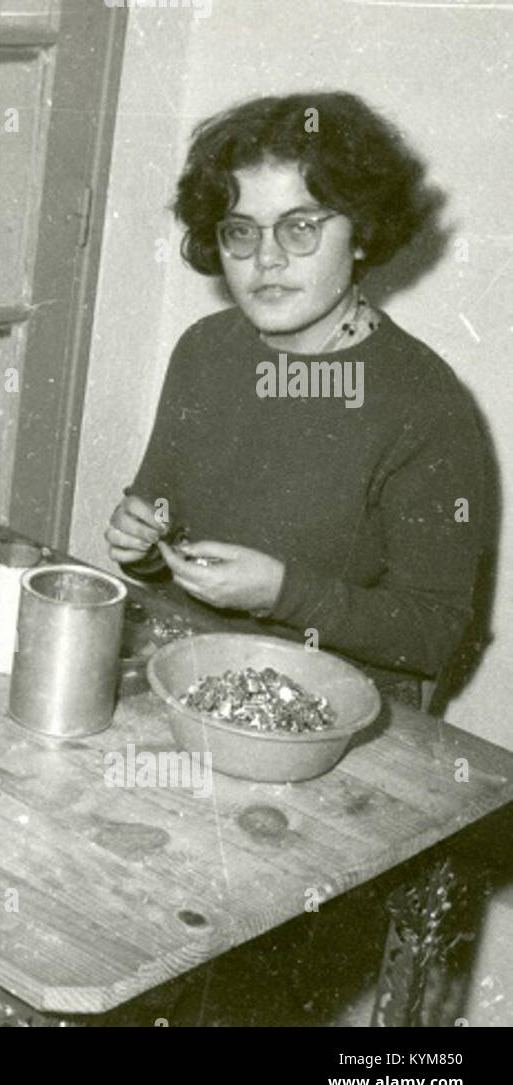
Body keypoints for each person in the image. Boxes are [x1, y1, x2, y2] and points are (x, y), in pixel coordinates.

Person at [106, 91, 488, 704]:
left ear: (362, 234)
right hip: (187, 671)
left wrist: (283, 593)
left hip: (338, 710)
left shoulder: (425, 404)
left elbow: (435, 635)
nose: (267, 258)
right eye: (240, 231)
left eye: (301, 227)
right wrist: (142, 545)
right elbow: (160, 524)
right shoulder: (204, 350)